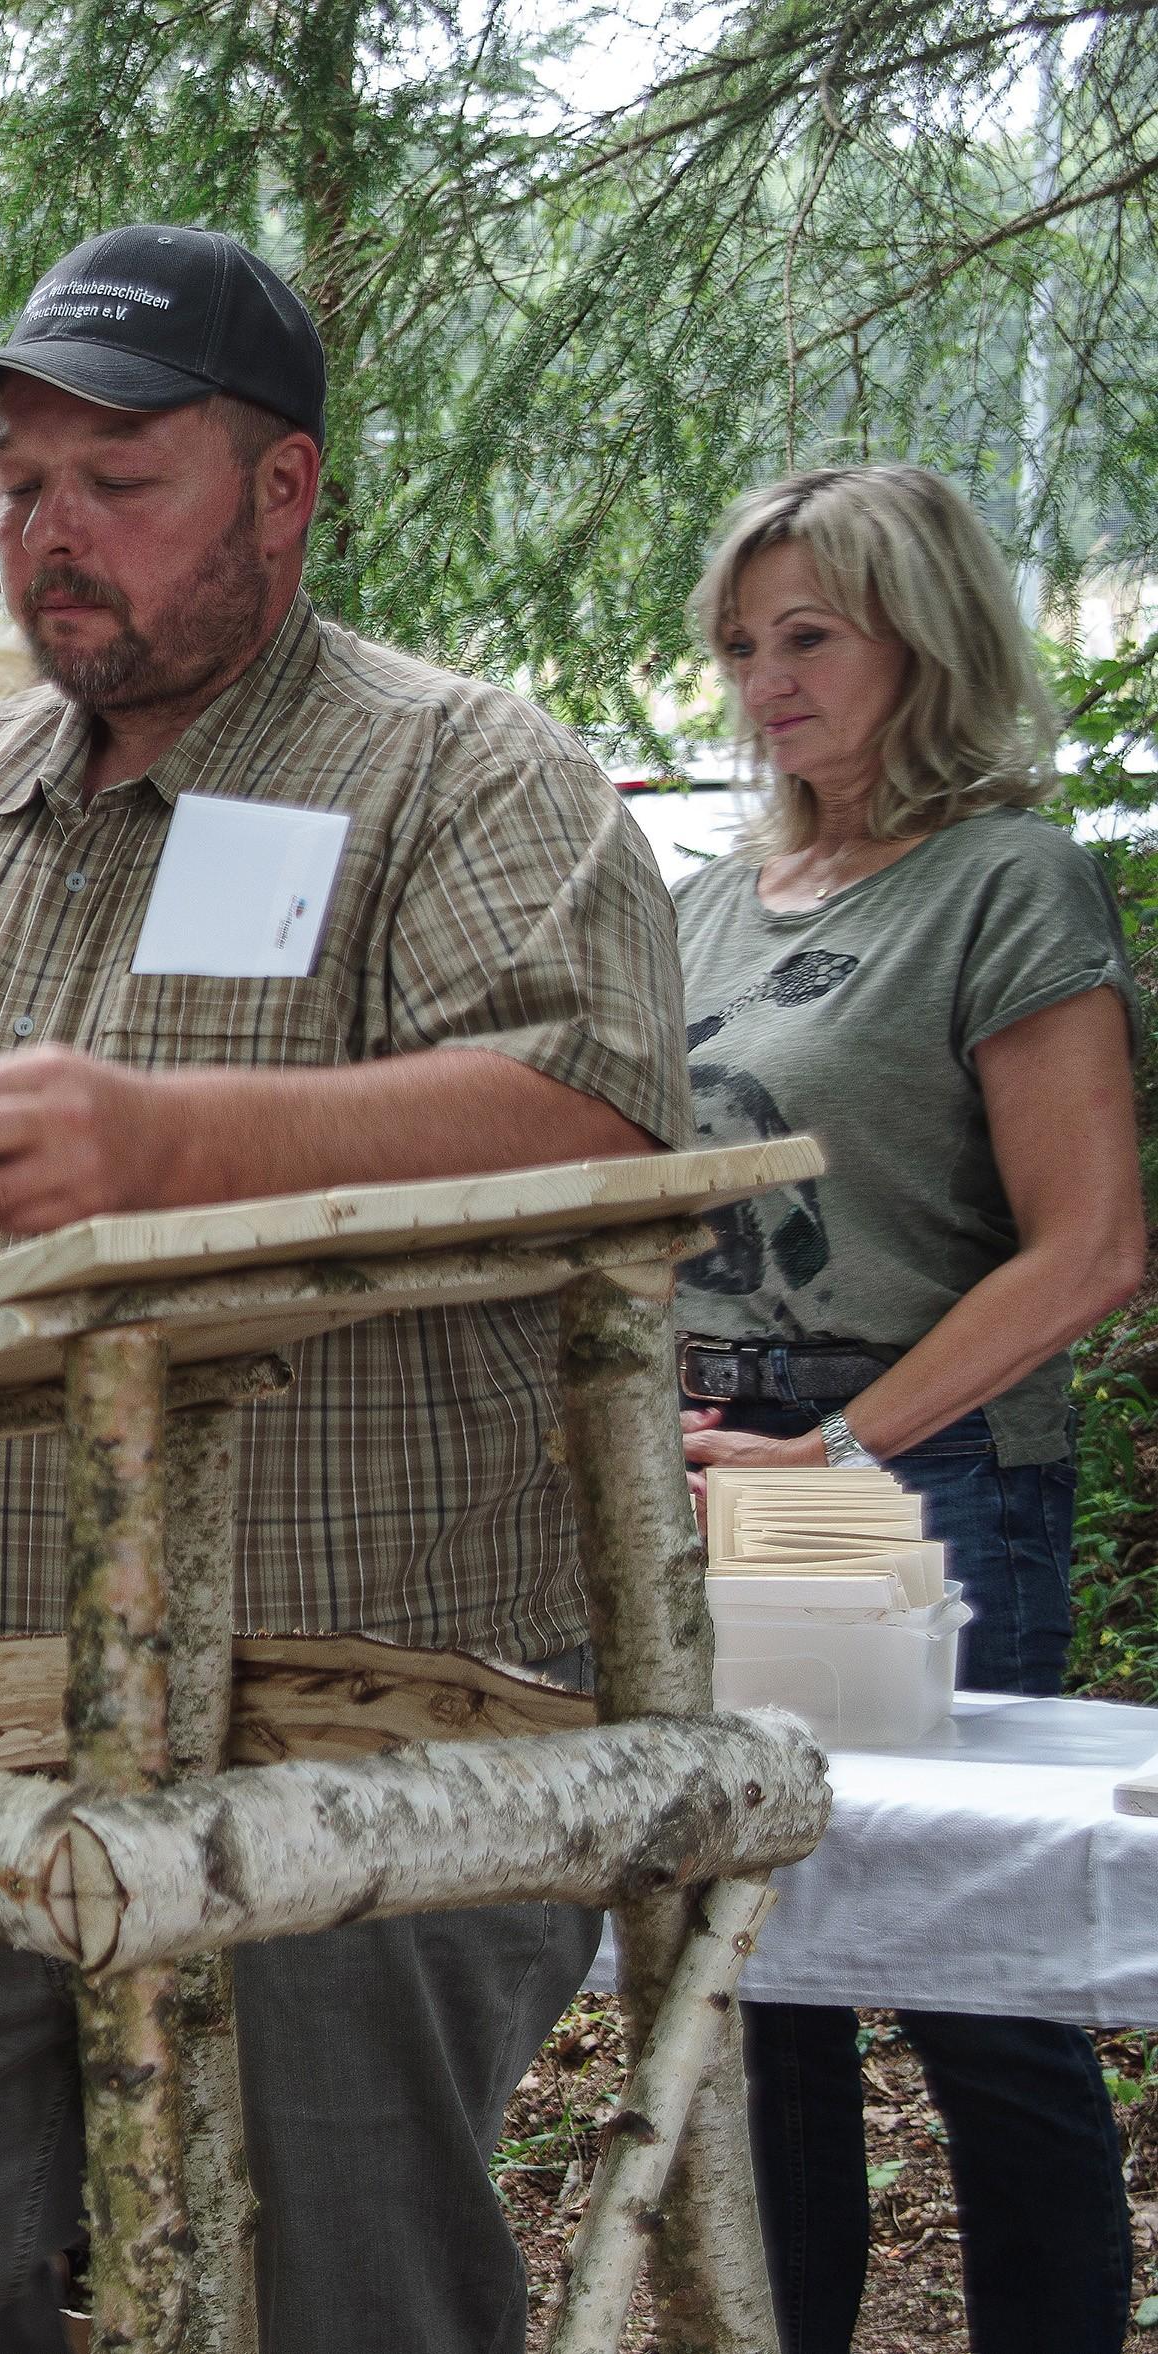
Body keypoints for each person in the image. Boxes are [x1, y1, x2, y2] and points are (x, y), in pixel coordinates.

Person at [0, 223, 691, 2353]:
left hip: (346, 1727)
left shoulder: (462, 774)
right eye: (17, 491)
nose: (51, 537)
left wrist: (181, 1144)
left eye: (117, 482)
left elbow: (599, 1116)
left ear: (285, 491)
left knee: (322, 2285)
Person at [672, 464, 1145, 2354]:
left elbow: (1093, 1245)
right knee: (755, 1970)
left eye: (808, 637)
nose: (762, 681)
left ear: (921, 639)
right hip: (713, 1475)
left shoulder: (1005, 881)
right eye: (734, 644)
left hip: (918, 1480)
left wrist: (840, 1452)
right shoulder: (701, 904)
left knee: (980, 1987)